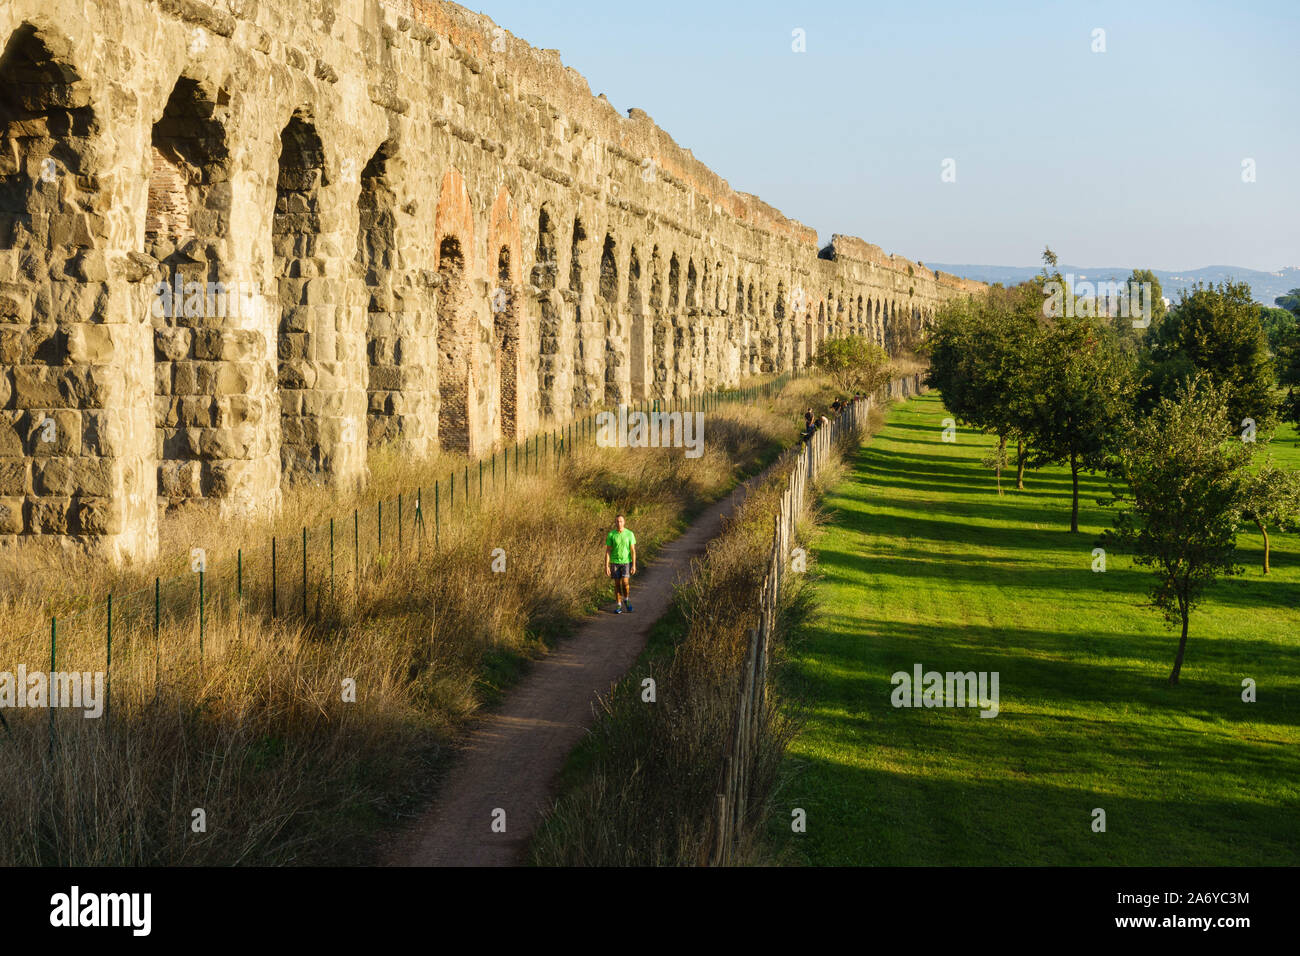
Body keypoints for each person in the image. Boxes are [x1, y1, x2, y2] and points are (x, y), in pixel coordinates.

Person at [604, 513, 637, 613]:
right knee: (617, 584)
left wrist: (634, 565)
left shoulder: (629, 534)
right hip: (614, 562)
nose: (619, 523)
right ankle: (618, 605)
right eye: (617, 521)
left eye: (621, 521)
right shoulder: (611, 534)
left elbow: (633, 551)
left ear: (624, 522)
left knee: (625, 583)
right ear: (615, 523)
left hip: (626, 562)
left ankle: (626, 600)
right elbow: (608, 551)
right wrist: (606, 566)